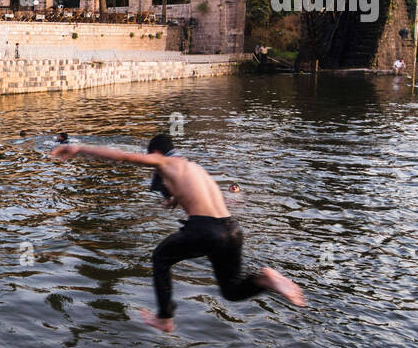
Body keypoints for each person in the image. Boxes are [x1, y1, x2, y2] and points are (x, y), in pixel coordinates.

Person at [51, 133, 306, 331]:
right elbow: (198, 194)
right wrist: (175, 200)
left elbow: (123, 156)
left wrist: (79, 148)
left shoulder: (162, 160)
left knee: (160, 258)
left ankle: (164, 317)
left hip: (206, 229)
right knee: (232, 291)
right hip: (232, 230)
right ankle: (266, 278)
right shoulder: (195, 168)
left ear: (155, 152)